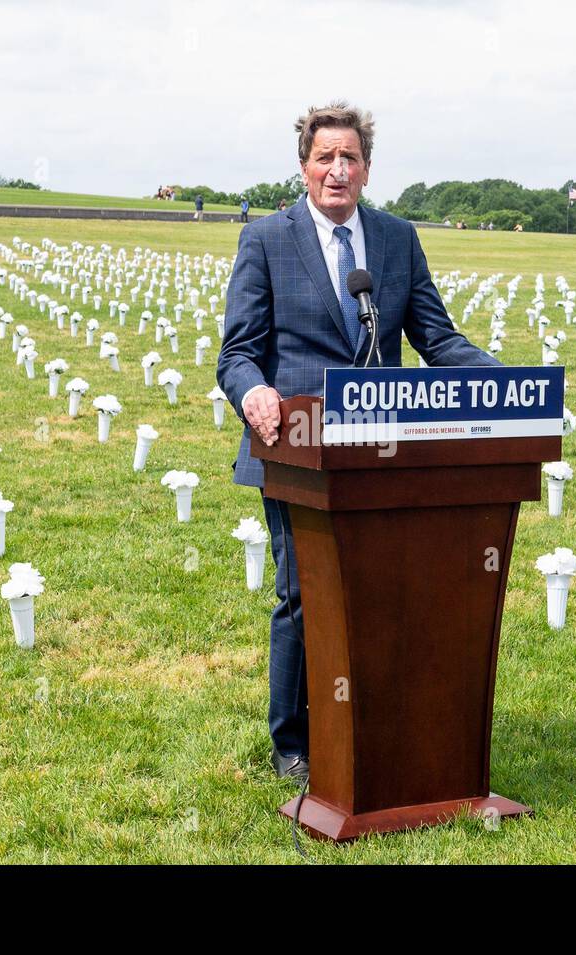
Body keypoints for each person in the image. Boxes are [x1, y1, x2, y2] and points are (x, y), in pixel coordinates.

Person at [216, 102, 498, 783]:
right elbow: (238, 352)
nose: (337, 170)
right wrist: (254, 393)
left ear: (367, 169)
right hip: (296, 449)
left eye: (350, 158)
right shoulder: (267, 240)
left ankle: (377, 718)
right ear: (305, 166)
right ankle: (295, 742)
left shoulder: (396, 239)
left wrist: (508, 381)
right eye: (325, 158)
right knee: (305, 592)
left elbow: (436, 338)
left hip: (385, 454)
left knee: (383, 591)